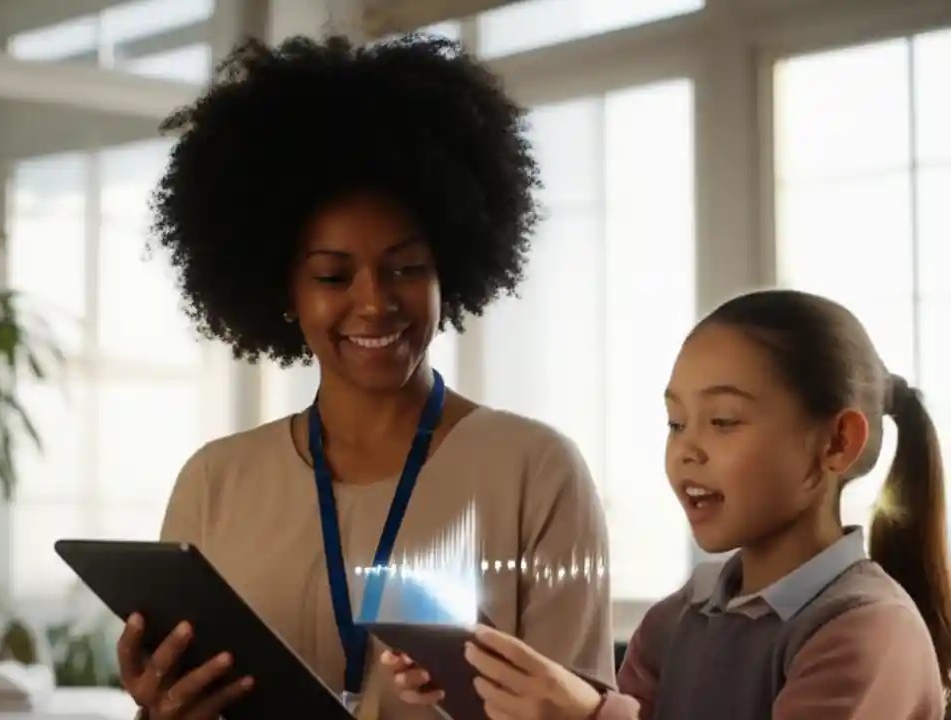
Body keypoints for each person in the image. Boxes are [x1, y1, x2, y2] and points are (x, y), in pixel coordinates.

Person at [114, 34, 613, 720]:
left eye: (407, 268)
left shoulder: (534, 470)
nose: (376, 301)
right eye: (333, 275)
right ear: (282, 290)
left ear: (450, 269)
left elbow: (580, 709)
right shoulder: (216, 482)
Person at [394, 288, 950, 719]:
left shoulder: (869, 632)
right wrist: (485, 696)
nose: (687, 450)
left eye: (724, 421)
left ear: (836, 443)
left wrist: (587, 715)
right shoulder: (679, 619)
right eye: (676, 423)